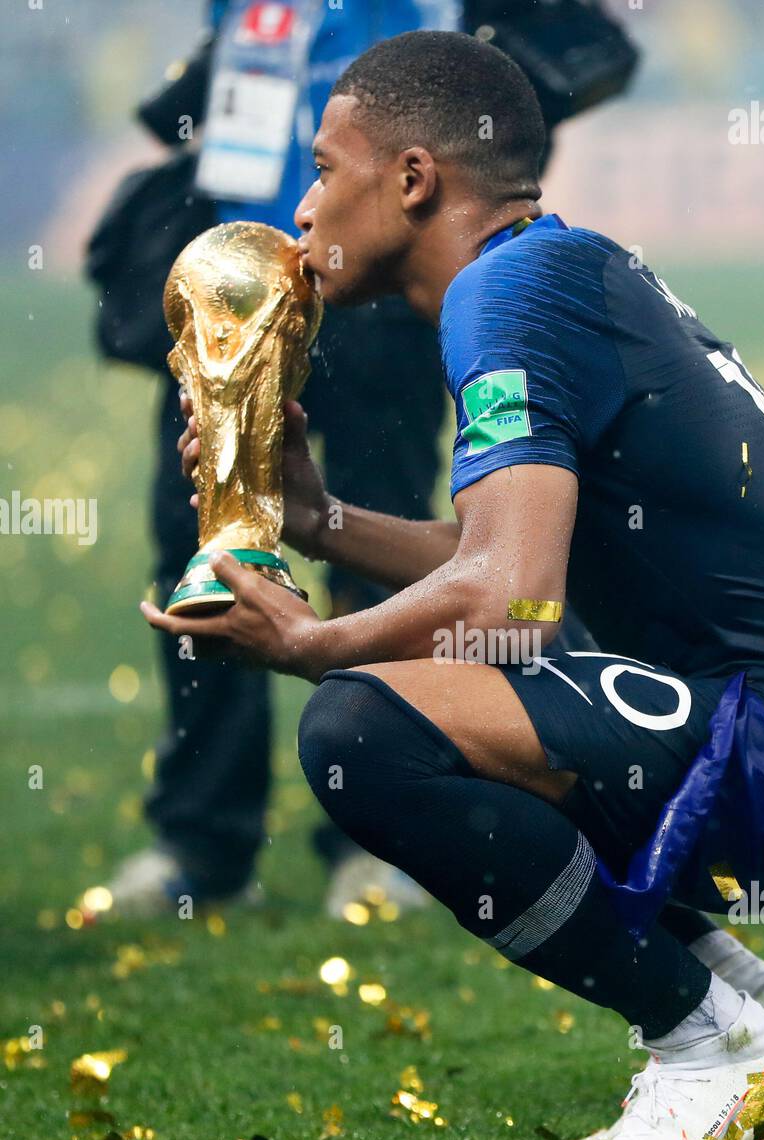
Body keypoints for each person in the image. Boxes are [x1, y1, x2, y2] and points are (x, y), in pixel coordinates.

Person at [143, 30, 764, 1140]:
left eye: (326, 168)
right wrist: (317, 517)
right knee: (441, 709)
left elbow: (510, 602)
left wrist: (312, 645)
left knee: (362, 733)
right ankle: (746, 1013)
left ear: (414, 179)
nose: (306, 206)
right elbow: (505, 561)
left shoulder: (503, 297)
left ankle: (700, 1038)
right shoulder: (549, 272)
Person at [100, 0, 632, 923]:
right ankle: (200, 840)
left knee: (371, 540)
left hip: (377, 274)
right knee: (200, 546)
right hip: (232, 275)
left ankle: (372, 835)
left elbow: (533, 56)